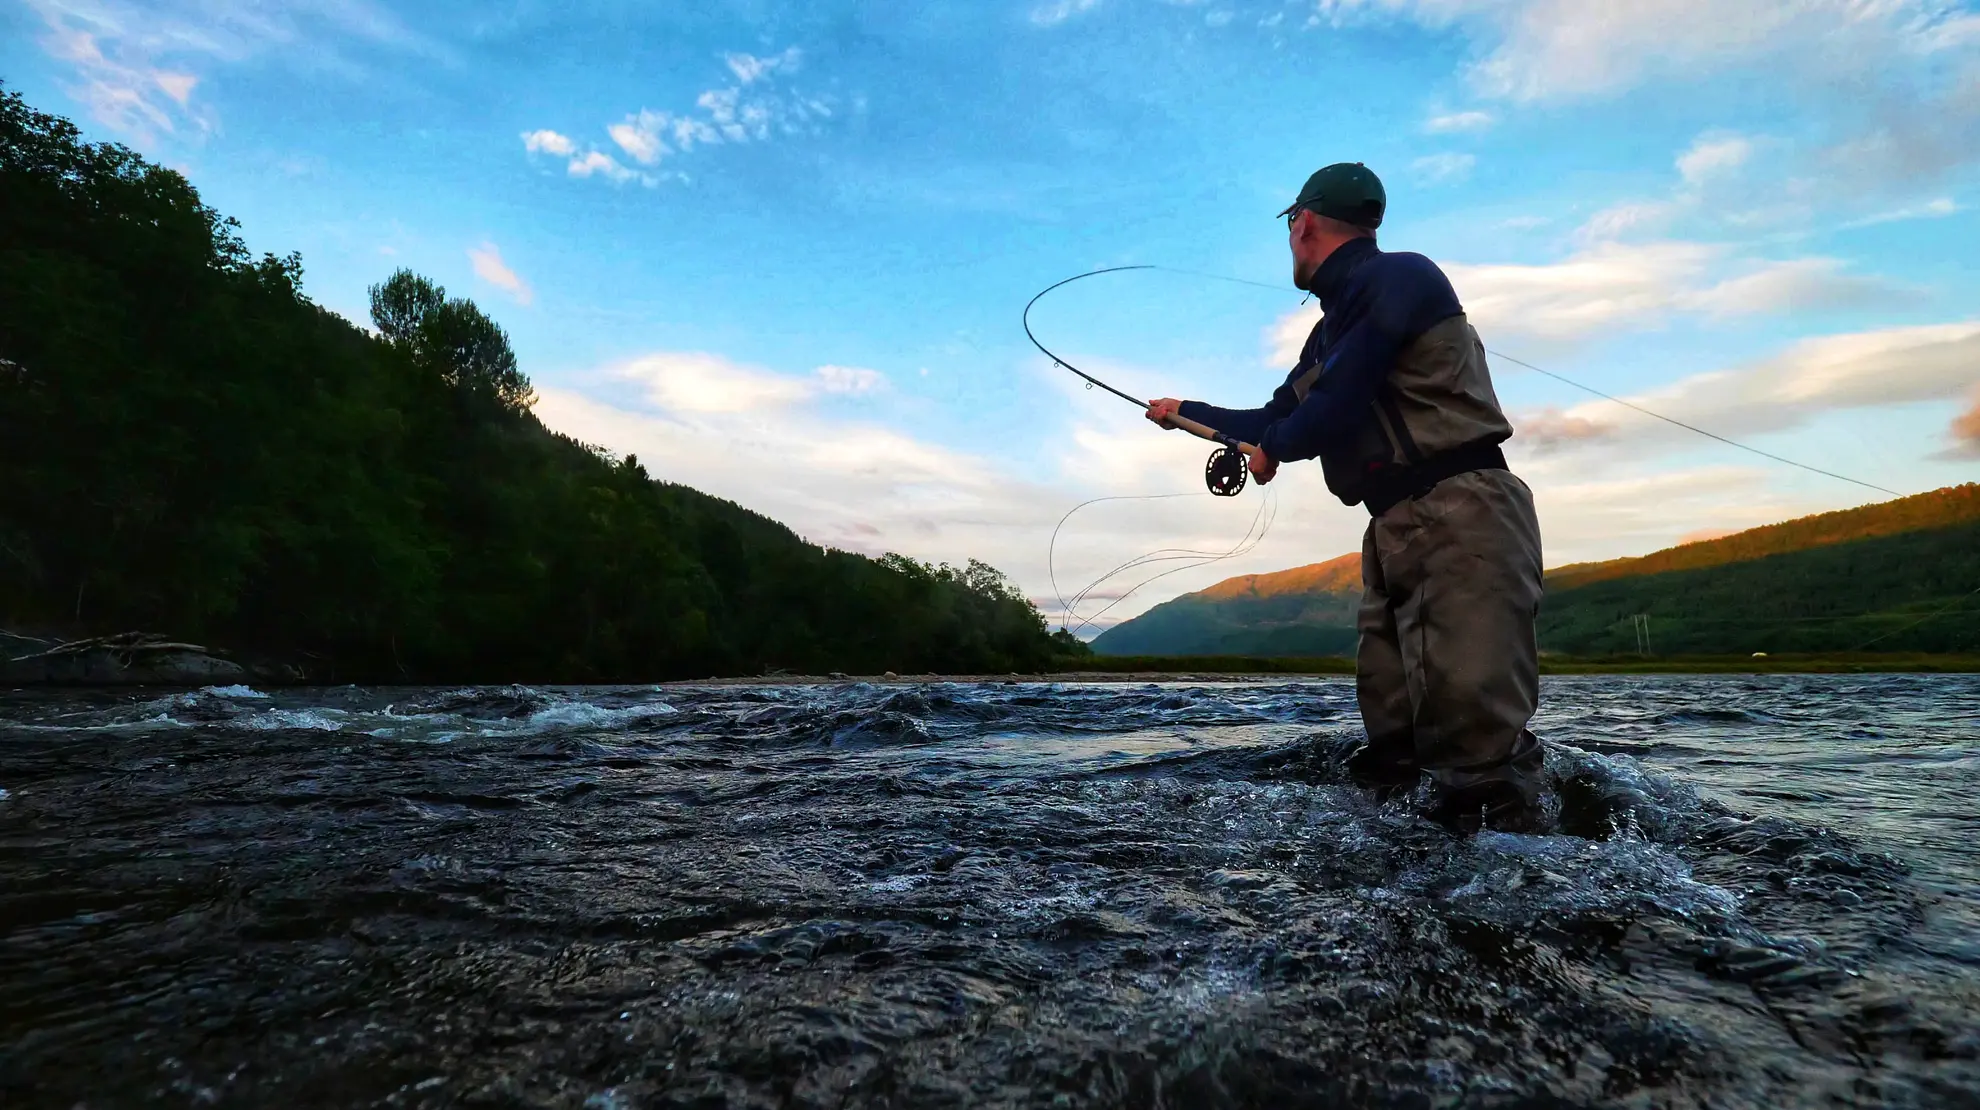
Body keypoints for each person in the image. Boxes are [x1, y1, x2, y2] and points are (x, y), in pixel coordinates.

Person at [1144, 162, 1548, 834]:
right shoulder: (1329, 334)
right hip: (1393, 529)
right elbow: (1276, 417)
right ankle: (1417, 879)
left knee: (1476, 751)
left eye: (1290, 226)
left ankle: (1529, 880)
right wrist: (1184, 412)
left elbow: (1330, 407)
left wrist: (1278, 447)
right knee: (1396, 751)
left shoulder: (1400, 277)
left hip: (1464, 512)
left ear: (1302, 222)